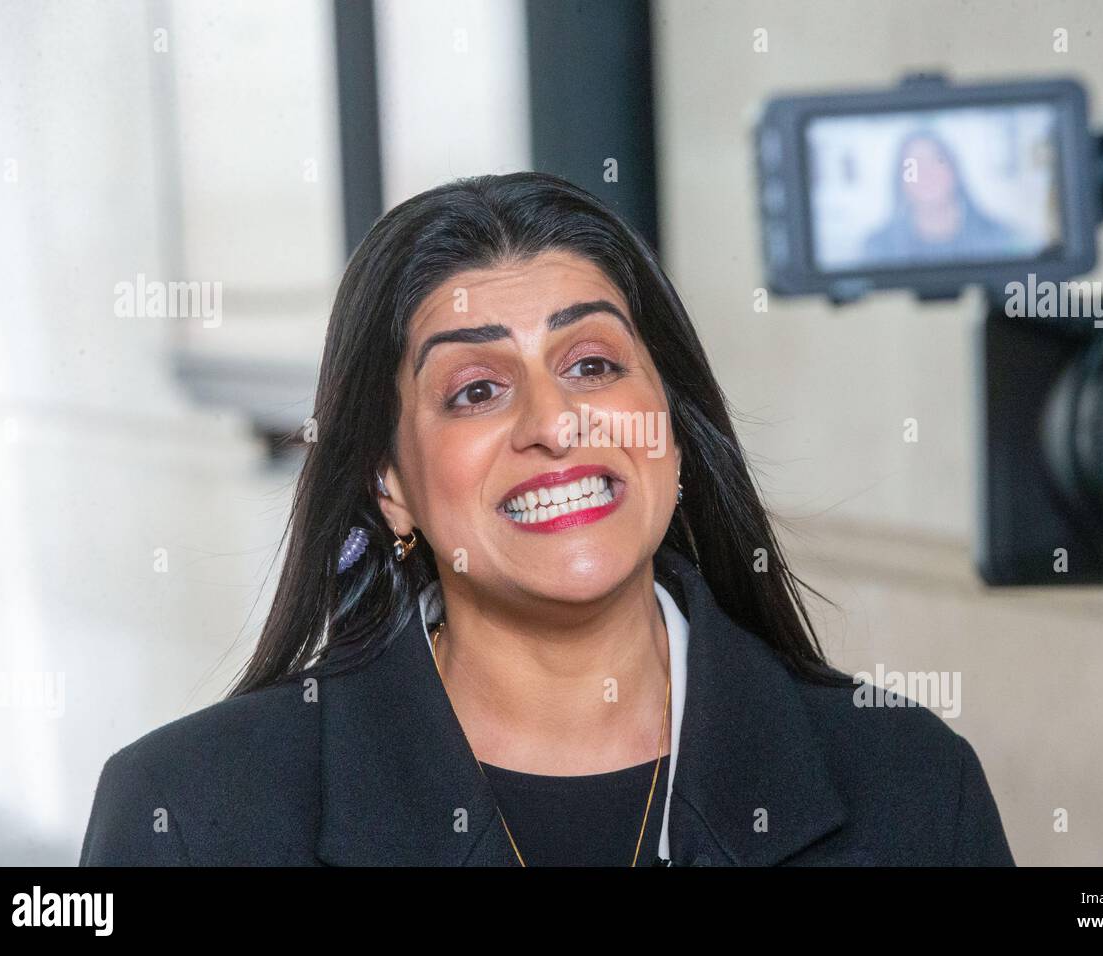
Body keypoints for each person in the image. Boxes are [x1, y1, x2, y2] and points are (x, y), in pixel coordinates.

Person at [78, 171, 1015, 866]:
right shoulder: (193, 815)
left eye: (593, 365)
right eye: (477, 389)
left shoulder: (911, 787)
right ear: (389, 484)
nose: (554, 424)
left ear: (672, 434)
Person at [863, 129, 1028, 265]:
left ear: (954, 171)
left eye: (936, 161)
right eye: (913, 166)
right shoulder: (877, 248)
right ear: (900, 181)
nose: (926, 174)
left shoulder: (1001, 239)